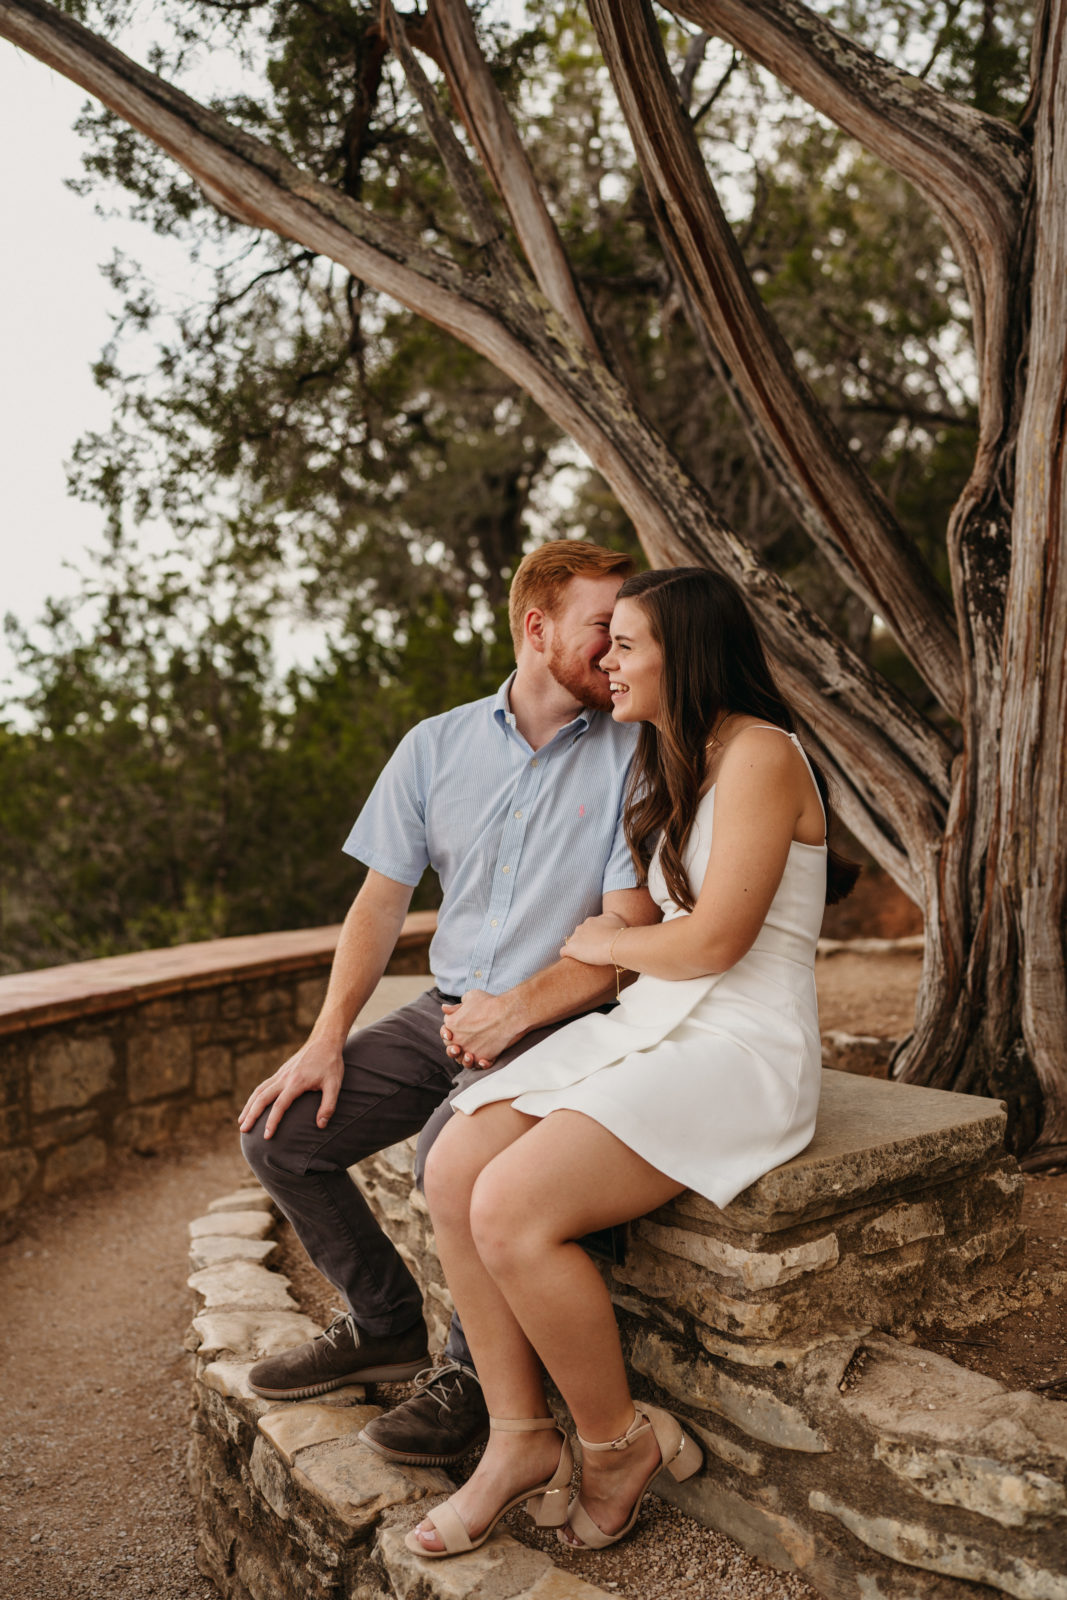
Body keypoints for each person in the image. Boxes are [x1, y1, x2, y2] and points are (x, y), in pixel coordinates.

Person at [403, 566, 858, 1558]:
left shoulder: (762, 753)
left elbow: (713, 941)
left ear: (681, 653)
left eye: (625, 644)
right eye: (605, 641)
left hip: (737, 1044)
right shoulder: (673, 756)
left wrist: (607, 943)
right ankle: (519, 1439)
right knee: (453, 1163)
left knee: (509, 1207)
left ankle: (615, 1444)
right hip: (652, 1022)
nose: (606, 661)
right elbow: (656, 924)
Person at [238, 540, 662, 1466]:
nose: (620, 648)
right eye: (603, 627)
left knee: (450, 1158)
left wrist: (517, 1011)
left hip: (564, 1022)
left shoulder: (638, 749)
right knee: (280, 1136)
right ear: (536, 627)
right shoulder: (433, 746)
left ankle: (475, 1379)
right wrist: (325, 1039)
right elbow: (378, 905)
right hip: (447, 1007)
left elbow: (627, 939)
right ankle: (385, 1325)